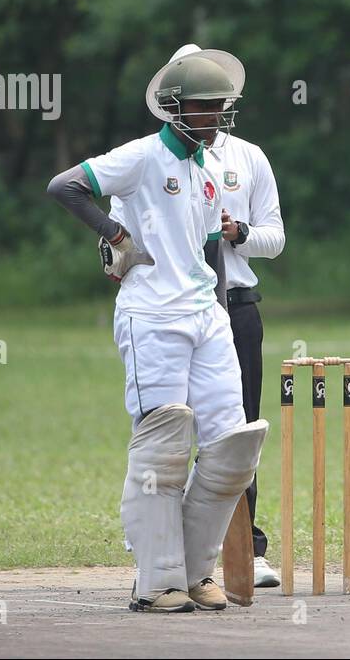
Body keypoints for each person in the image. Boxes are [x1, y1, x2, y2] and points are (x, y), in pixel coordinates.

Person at [46, 48, 268, 611]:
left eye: (222, 108)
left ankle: (198, 573)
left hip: (205, 314)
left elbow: (209, 248)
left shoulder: (210, 167)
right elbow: (65, 186)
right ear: (174, 108)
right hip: (151, 315)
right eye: (206, 107)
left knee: (232, 447)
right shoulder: (141, 157)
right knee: (165, 446)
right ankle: (157, 581)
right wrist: (116, 236)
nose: (216, 117)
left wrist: (217, 309)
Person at [162, 44, 287, 588]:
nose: (209, 108)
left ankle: (246, 546)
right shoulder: (154, 157)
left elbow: (275, 238)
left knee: (238, 428)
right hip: (175, 310)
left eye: (216, 99)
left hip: (235, 306)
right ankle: (166, 548)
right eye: (199, 99)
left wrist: (239, 234)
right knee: (173, 427)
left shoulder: (249, 156)